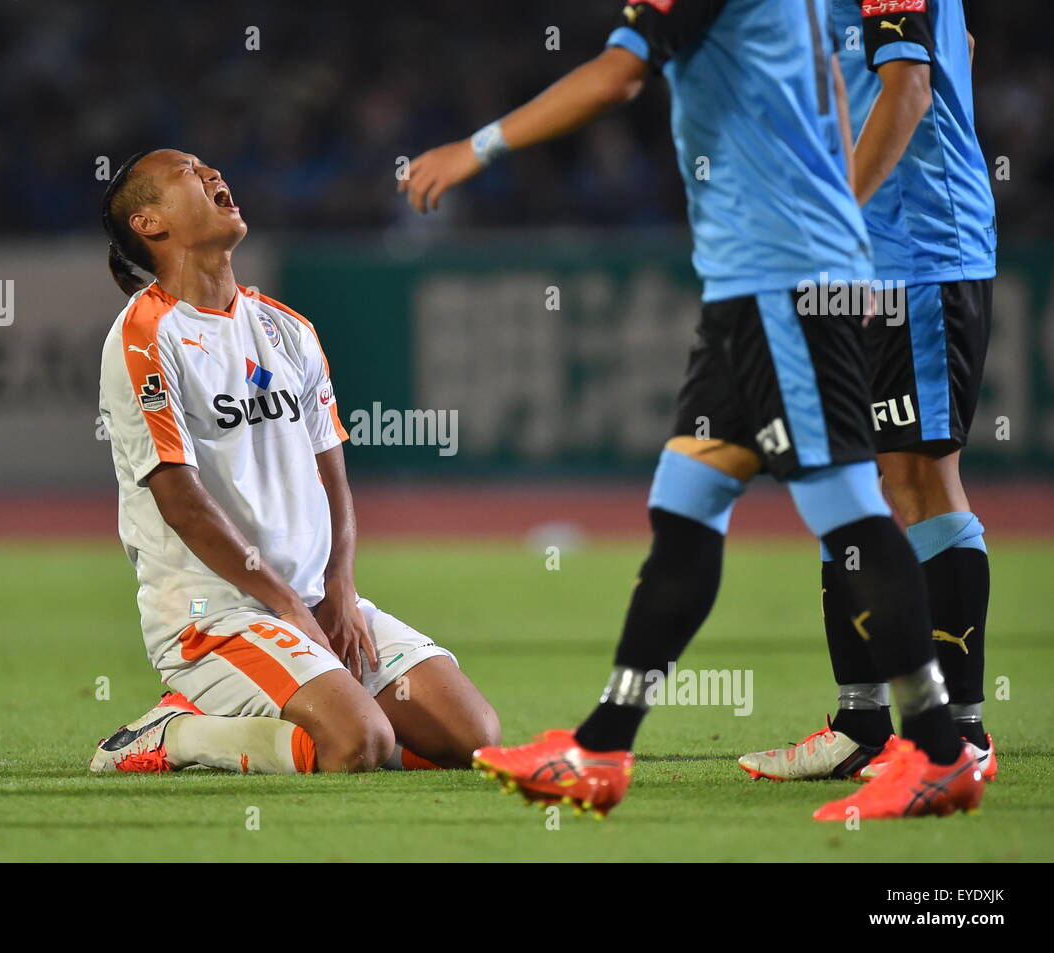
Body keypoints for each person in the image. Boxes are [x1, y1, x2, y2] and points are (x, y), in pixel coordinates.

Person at [400, 0, 982, 820]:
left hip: (785, 278)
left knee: (849, 510)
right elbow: (840, 94)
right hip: (754, 279)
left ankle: (937, 750)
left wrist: (476, 147)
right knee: (686, 506)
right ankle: (601, 747)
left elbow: (617, 75)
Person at [90, 149, 499, 776]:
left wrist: (341, 585)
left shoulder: (287, 329)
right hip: (215, 617)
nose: (214, 175)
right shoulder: (146, 336)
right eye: (188, 175)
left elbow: (331, 477)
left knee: (471, 738)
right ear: (149, 224)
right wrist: (285, 606)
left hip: (314, 599)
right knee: (356, 744)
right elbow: (181, 501)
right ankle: (177, 734)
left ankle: (314, 708)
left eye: (210, 168)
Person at [738, 0, 997, 784]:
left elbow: (912, 86)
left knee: (921, 477)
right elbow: (963, 47)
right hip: (871, 261)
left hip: (917, 257)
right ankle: (862, 722)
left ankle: (958, 734)